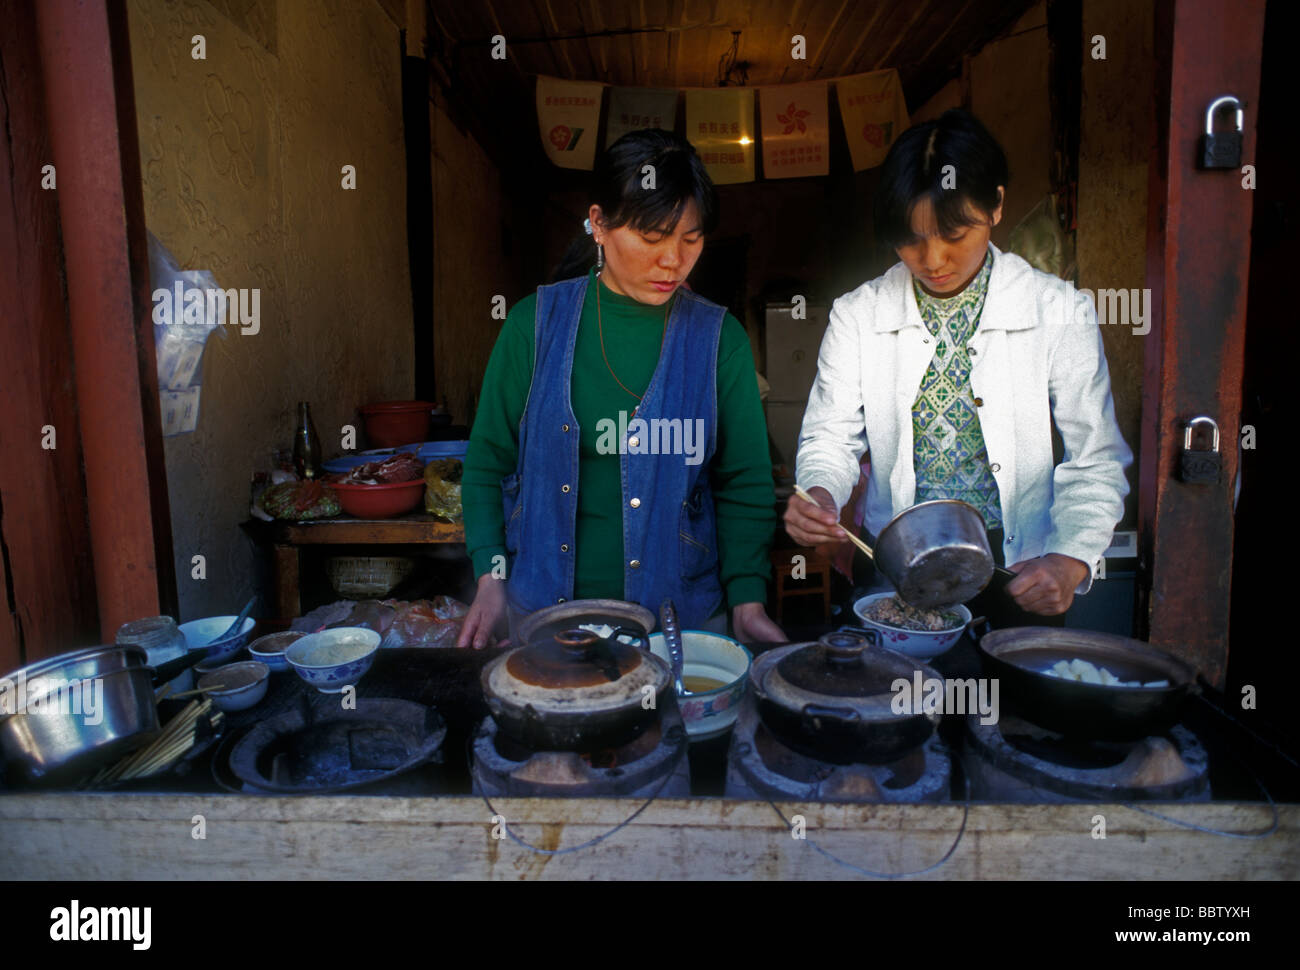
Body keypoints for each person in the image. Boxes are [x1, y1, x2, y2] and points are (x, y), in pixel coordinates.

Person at [785, 109, 1131, 625]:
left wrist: (1070, 558)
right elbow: (830, 439)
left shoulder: (1058, 310)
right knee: (899, 698)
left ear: (995, 206)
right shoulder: (859, 314)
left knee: (1009, 698)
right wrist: (819, 492)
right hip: (899, 565)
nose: (933, 259)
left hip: (1020, 571)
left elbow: (1095, 458)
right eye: (912, 238)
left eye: (955, 235)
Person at [458, 129, 785, 647]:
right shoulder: (532, 326)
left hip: (681, 626)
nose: (673, 260)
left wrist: (747, 600)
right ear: (598, 224)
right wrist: (491, 576)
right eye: (652, 238)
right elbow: (486, 466)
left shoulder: (719, 340)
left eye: (691, 238)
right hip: (544, 622)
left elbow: (743, 482)